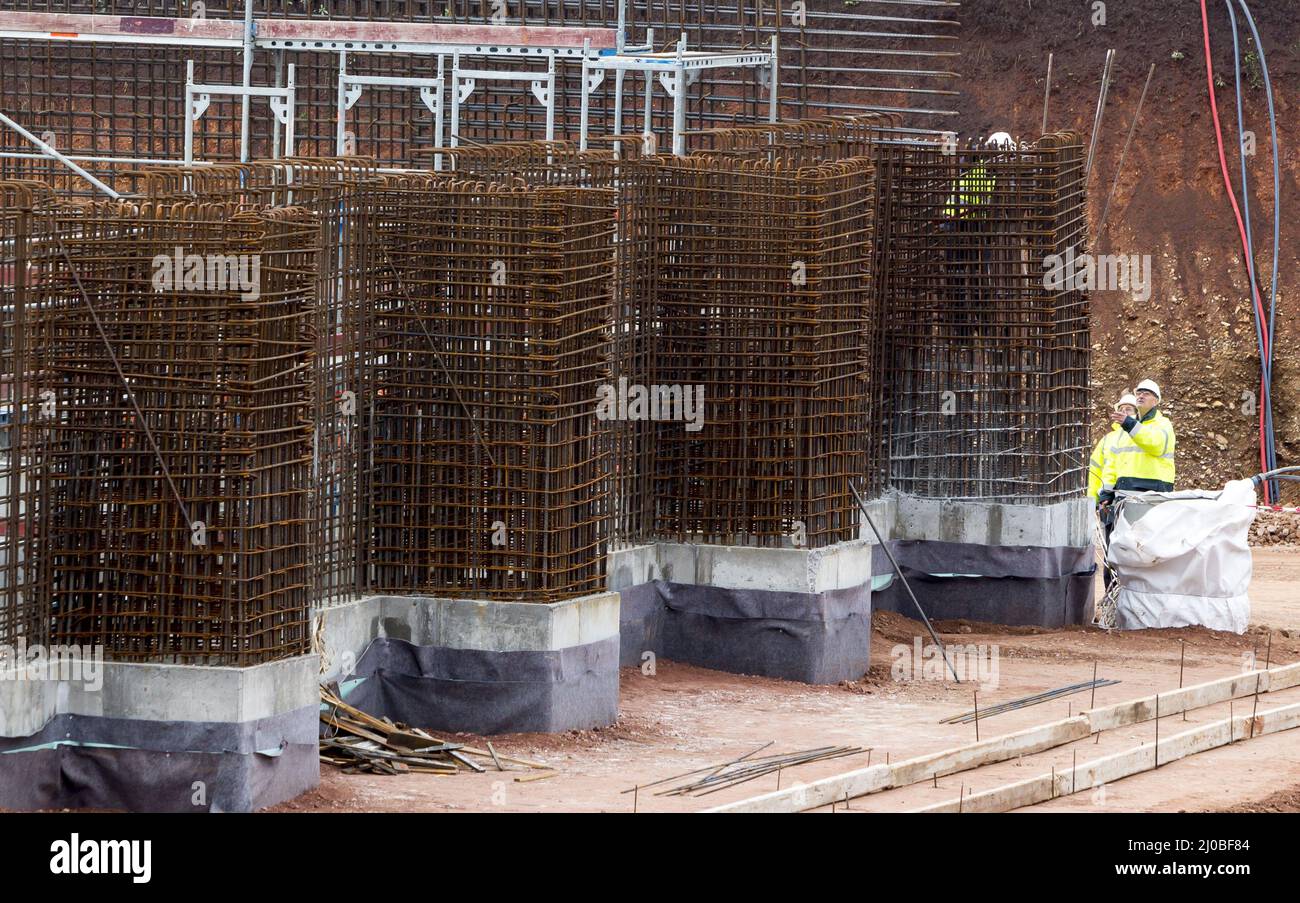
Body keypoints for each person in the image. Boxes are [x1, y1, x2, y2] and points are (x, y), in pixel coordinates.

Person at [1102, 378, 1176, 499]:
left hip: (1153, 491)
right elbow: (1113, 463)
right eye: (1139, 393)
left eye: (1146, 394)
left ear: (1156, 401)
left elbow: (1155, 445)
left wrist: (1130, 424)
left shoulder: (1163, 424)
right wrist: (1107, 493)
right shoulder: (1126, 428)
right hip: (1125, 491)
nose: (1141, 396)